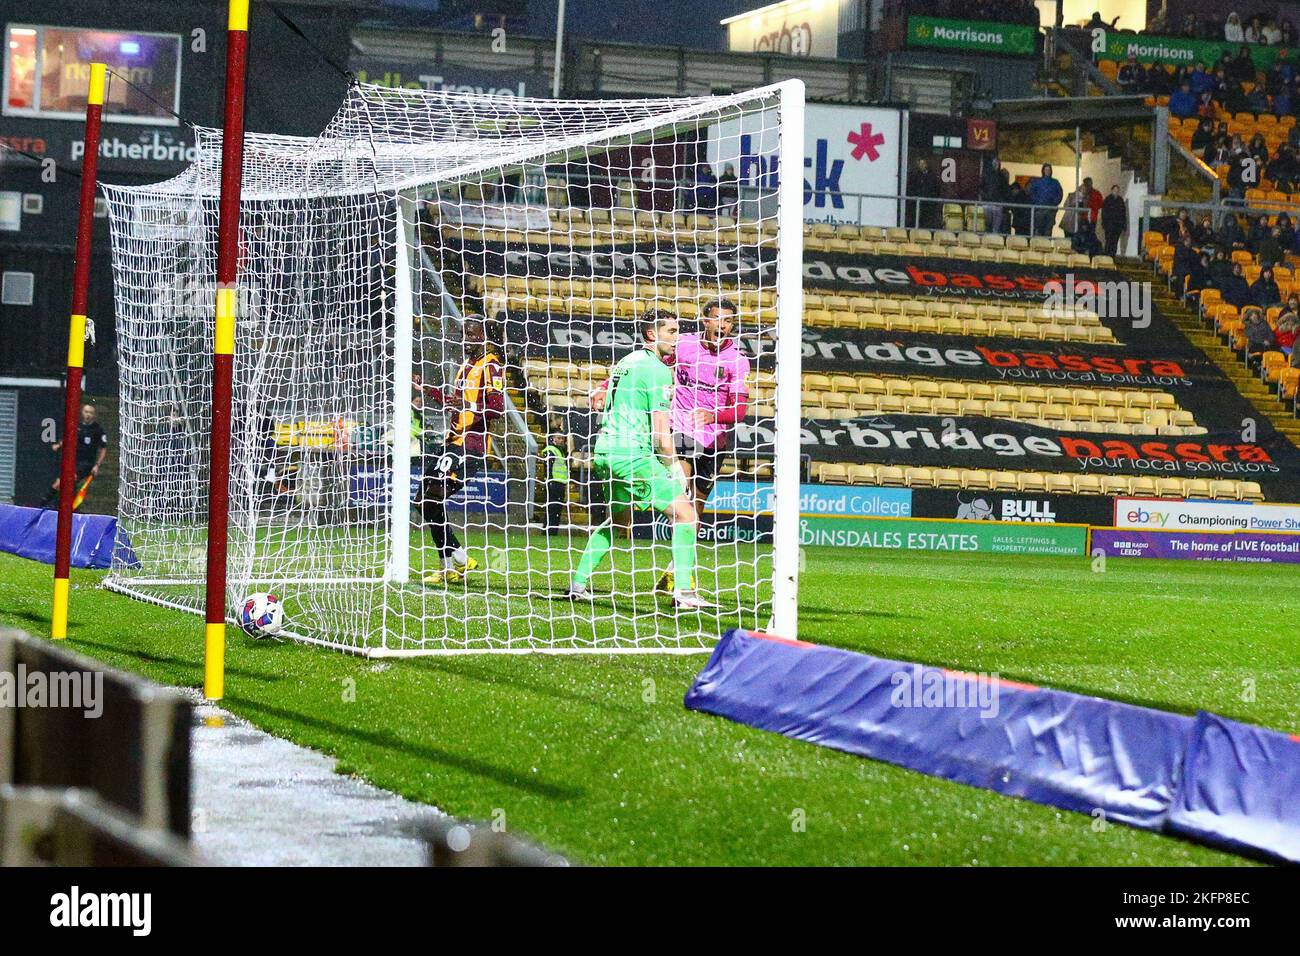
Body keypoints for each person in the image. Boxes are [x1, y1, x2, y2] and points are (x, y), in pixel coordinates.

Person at [566, 310, 712, 610]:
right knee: (686, 515)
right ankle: (684, 592)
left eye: (678, 331)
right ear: (651, 334)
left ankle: (577, 585)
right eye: (671, 331)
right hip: (632, 455)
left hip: (605, 452)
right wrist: (674, 467)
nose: (676, 338)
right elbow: (661, 432)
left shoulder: (625, 363)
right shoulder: (658, 371)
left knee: (619, 521)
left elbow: (605, 401)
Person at [657, 297, 749, 595]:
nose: (722, 325)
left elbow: (740, 411)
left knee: (696, 506)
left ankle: (675, 569)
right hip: (681, 427)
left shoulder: (737, 359)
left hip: (714, 437)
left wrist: (713, 415)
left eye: (728, 321)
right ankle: (684, 582)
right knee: (681, 495)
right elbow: (652, 360)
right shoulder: (683, 345)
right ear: (704, 321)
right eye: (717, 319)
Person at [417, 317, 505, 586]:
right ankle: (451, 566)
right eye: (464, 333)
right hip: (453, 443)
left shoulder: (491, 365)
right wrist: (427, 390)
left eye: (471, 334)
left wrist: (467, 403)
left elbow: (496, 407)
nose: (466, 338)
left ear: (484, 337)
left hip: (471, 447)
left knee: (427, 498)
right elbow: (456, 403)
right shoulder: (466, 367)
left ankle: (458, 558)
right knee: (426, 500)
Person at [41, 403, 107, 511]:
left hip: (87, 463)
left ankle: (65, 507)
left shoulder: (98, 430)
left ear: (94, 415)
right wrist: (59, 445)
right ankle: (44, 505)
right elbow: (68, 438)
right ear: (82, 412)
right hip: (74, 461)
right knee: (58, 483)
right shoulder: (77, 427)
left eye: (90, 412)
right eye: (86, 412)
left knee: (70, 479)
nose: (88, 415)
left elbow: (103, 448)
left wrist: (97, 465)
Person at [540, 433, 570, 533]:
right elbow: (548, 467)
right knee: (552, 508)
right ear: (553, 439)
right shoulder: (551, 450)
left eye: (562, 438)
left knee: (557, 508)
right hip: (554, 483)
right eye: (558, 438)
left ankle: (553, 530)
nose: (561, 440)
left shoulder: (559, 450)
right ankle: (549, 530)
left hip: (560, 482)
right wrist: (550, 480)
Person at [1028, 164, 1063, 237]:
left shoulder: (1055, 182)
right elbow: (1032, 193)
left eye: (1049, 170)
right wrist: (1037, 202)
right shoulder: (1037, 182)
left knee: (1048, 230)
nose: (1048, 171)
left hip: (1050, 210)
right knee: (1038, 230)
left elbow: (1059, 194)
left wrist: (1054, 203)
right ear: (1043, 171)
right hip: (1039, 210)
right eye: (1046, 170)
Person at [1101, 185, 1127, 257]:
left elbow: (1123, 214)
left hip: (1117, 226)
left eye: (1117, 191)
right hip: (1109, 226)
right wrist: (1104, 224)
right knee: (1108, 242)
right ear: (1112, 190)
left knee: (1115, 243)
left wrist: (1124, 226)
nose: (1116, 192)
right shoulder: (1107, 200)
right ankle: (1107, 256)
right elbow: (1104, 213)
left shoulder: (1120, 200)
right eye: (1115, 190)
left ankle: (1112, 256)